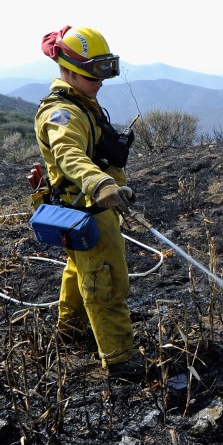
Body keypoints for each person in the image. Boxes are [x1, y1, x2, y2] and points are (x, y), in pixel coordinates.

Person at [35, 25, 144, 381]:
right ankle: (120, 358)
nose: (101, 81)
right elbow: (67, 153)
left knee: (80, 268)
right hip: (87, 210)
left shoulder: (83, 101)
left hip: (88, 209)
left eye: (105, 69)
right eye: (93, 72)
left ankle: (68, 330)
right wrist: (100, 183)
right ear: (67, 70)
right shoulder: (61, 114)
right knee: (105, 282)